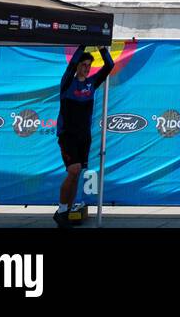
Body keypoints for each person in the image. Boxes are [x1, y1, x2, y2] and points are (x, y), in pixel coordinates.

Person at [54, 44, 113, 228]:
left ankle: (66, 212)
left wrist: (102, 48)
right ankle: (61, 210)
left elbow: (109, 65)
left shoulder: (91, 83)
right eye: (84, 64)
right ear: (78, 65)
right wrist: (84, 43)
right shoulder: (67, 83)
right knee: (73, 170)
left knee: (76, 174)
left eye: (89, 65)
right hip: (67, 135)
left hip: (84, 137)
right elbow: (71, 65)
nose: (86, 68)